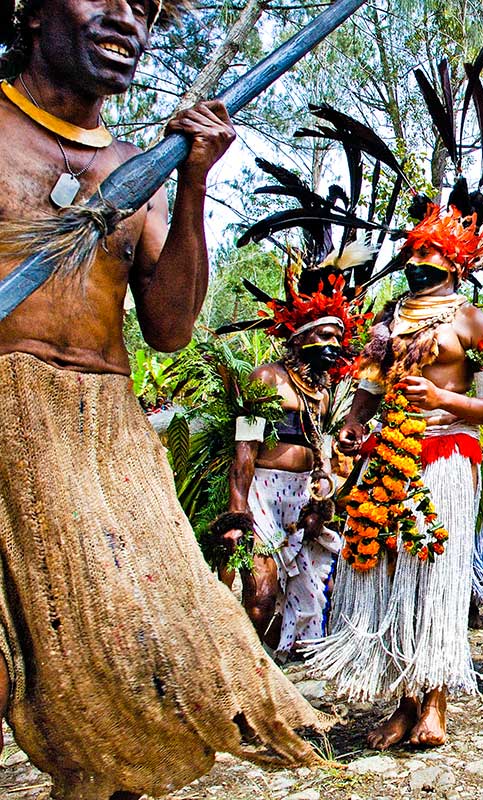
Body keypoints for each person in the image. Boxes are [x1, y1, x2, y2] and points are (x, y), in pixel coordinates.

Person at [0, 0, 331, 796]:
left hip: (102, 437)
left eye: (146, 8)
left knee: (135, 653)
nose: (129, 18)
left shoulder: (137, 169)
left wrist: (192, 183)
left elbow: (172, 328)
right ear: (32, 11)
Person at [307, 201, 483, 749]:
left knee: (435, 570)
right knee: (390, 567)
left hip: (446, 452)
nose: (417, 263)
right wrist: (353, 424)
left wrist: (442, 397)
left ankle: (436, 702)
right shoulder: (388, 319)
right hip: (388, 450)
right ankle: (404, 702)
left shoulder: (474, 321)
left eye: (430, 253)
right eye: (413, 253)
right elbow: (369, 388)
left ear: (455, 264)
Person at [216, 266, 369, 659]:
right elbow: (244, 452)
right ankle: (243, 663)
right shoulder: (266, 378)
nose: (334, 345)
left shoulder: (322, 393)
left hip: (300, 499)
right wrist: (237, 516)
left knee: (308, 588)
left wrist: (321, 490)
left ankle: (271, 661)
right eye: (325, 336)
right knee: (262, 594)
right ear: (300, 337)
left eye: (338, 338)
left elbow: (320, 448)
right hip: (262, 494)